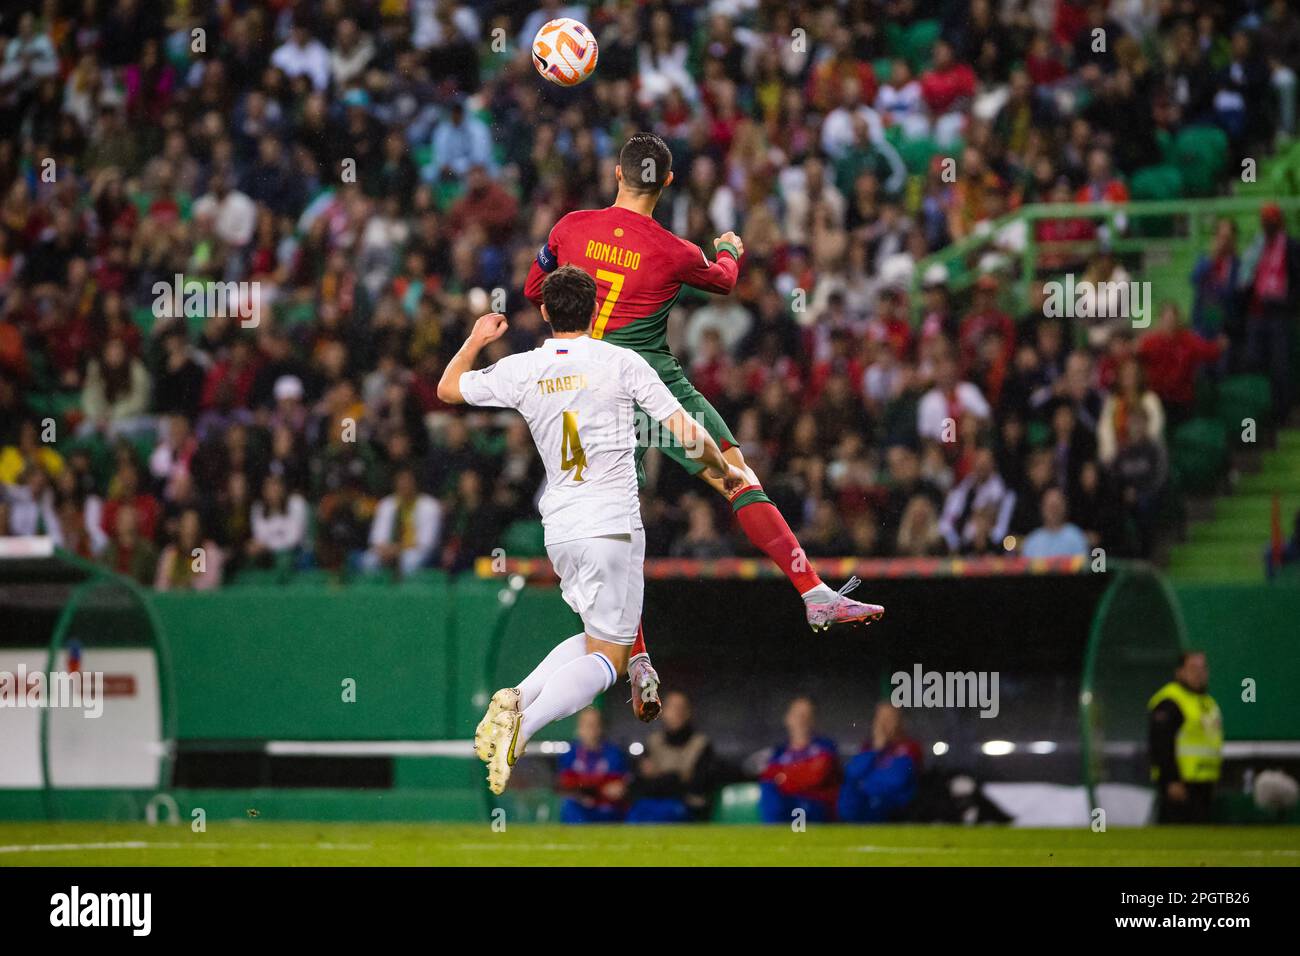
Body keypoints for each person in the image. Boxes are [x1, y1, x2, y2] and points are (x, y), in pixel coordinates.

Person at [523, 132, 885, 712]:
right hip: (654, 388)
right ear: (667, 183)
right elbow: (723, 280)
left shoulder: (570, 228)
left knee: (612, 526)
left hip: (583, 397)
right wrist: (730, 248)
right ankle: (812, 590)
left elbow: (533, 288)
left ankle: (636, 659)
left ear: (617, 174)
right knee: (737, 478)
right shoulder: (672, 250)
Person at [438, 265, 745, 795]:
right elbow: (681, 427)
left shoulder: (524, 367)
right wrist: (726, 470)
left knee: (594, 641)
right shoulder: (620, 362)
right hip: (613, 524)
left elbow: (447, 389)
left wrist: (475, 339)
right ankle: (524, 727)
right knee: (610, 659)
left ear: (543, 312)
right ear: (597, 308)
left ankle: (517, 697)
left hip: (560, 528)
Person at [1148, 651, 1222, 824]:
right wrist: (1171, 779)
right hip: (1181, 783)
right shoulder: (1170, 701)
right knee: (1175, 838)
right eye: (1193, 668)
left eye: (1203, 668)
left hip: (1204, 782)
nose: (1199, 673)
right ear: (1179, 672)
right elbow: (1161, 744)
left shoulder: (1207, 702)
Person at [627, 690, 715, 823]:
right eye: (672, 707)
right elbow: (641, 782)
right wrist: (676, 777)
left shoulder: (701, 744)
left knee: (669, 813)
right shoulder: (653, 742)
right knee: (636, 814)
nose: (677, 712)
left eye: (681, 708)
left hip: (686, 806)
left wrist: (661, 776)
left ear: (689, 712)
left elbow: (698, 784)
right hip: (653, 802)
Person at [758, 697, 841, 823]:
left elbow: (815, 777)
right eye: (798, 715)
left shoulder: (824, 747)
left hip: (816, 804)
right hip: (787, 803)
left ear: (814, 720)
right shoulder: (779, 752)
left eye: (807, 715)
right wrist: (796, 775)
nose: (802, 720)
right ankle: (773, 833)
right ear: (788, 719)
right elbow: (767, 776)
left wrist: (783, 777)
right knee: (769, 790)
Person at [838, 703, 922, 823]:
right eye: (880, 719)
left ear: (899, 721)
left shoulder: (909, 747)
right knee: (849, 796)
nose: (884, 724)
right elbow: (852, 773)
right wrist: (877, 749)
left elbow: (897, 779)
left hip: (894, 800)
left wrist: (866, 783)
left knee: (875, 802)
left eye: (889, 719)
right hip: (867, 796)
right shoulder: (868, 747)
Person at [359, 466, 440, 578]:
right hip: (389, 550)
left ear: (415, 483)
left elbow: (426, 543)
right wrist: (386, 550)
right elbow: (377, 539)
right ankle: (374, 594)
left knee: (410, 561)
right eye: (400, 481)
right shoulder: (386, 504)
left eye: (407, 481)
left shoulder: (429, 506)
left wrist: (397, 550)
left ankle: (406, 593)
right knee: (369, 560)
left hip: (416, 551)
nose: (404, 485)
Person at [555, 708, 630, 824]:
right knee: (569, 807)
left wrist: (584, 785)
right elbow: (565, 785)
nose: (591, 730)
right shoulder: (570, 755)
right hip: (582, 806)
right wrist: (598, 787)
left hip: (607, 808)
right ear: (579, 728)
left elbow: (617, 788)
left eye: (595, 725)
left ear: (601, 728)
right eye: (587, 725)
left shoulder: (613, 753)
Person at [1021, 487, 1089, 558]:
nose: (1053, 511)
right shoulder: (1032, 541)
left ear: (1064, 507)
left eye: (1057, 506)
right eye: (1050, 507)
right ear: (1042, 508)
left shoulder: (1076, 537)